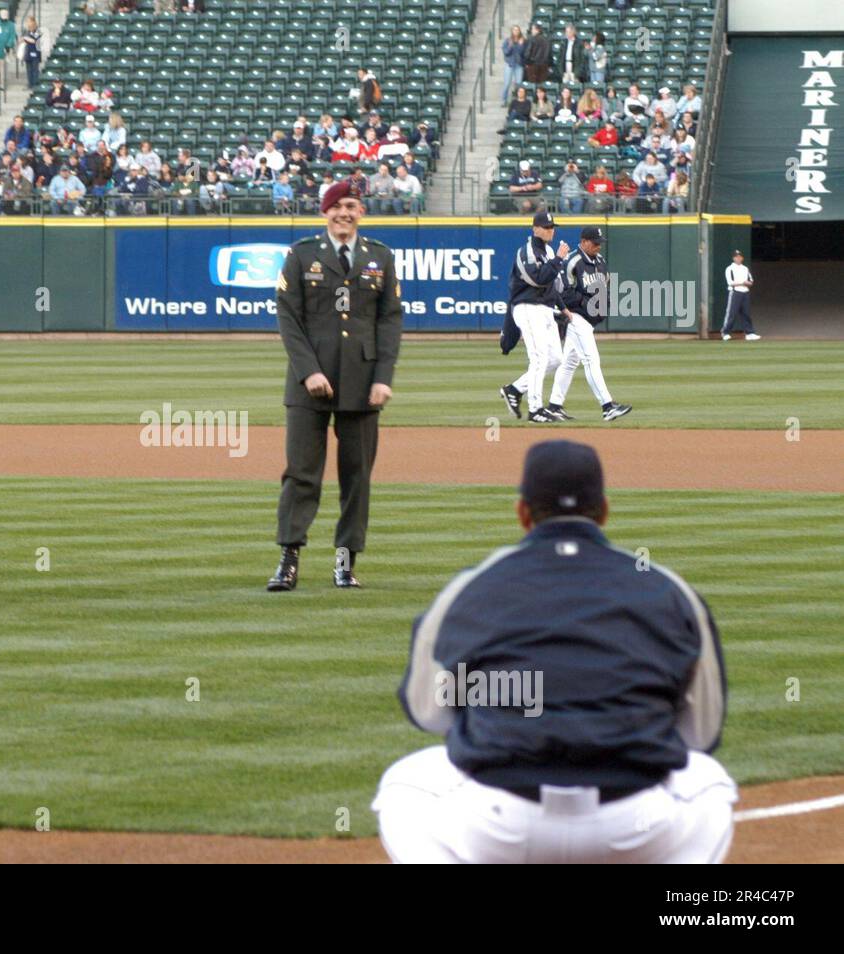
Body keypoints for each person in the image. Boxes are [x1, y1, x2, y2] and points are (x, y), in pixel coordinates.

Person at [372, 441, 736, 864]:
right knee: (710, 782)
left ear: (523, 512)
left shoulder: (471, 586)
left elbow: (428, 713)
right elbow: (701, 735)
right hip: (635, 824)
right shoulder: (668, 588)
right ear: (603, 510)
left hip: (500, 822)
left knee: (406, 783)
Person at [267, 179, 402, 592]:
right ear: (324, 212)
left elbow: (390, 319)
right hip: (308, 383)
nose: (345, 213)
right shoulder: (302, 254)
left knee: (356, 477)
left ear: (361, 212)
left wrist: (383, 378)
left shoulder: (380, 255)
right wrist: (309, 371)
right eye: (337, 206)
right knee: (302, 474)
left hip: (362, 383)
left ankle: (345, 563)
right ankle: (288, 560)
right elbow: (288, 318)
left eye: (352, 206)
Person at [547, 228, 633, 422]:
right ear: (584, 242)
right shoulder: (572, 261)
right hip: (575, 317)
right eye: (594, 242)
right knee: (591, 360)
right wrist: (586, 303)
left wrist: (604, 301)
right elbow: (563, 292)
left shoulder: (600, 261)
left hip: (590, 319)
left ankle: (554, 406)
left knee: (569, 362)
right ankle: (607, 406)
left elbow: (605, 286)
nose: (598, 245)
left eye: (599, 242)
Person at [498, 212, 568, 423]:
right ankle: (535, 410)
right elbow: (538, 279)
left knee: (556, 359)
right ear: (535, 228)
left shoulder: (548, 251)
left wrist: (562, 308)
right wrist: (558, 259)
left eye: (552, 227)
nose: (550, 230)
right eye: (546, 227)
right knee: (539, 358)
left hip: (546, 308)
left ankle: (515, 389)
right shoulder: (526, 251)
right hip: (528, 307)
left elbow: (553, 286)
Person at [721, 250, 759, 340]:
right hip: (735, 292)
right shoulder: (729, 268)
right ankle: (725, 332)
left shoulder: (745, 268)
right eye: (736, 257)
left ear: (742, 258)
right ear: (733, 258)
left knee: (746, 313)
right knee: (731, 313)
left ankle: (749, 333)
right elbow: (730, 283)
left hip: (745, 292)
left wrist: (747, 283)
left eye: (739, 256)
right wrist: (743, 283)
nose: (738, 258)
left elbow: (751, 281)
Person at [501, 25, 525, 106]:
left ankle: (517, 101)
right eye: (514, 30)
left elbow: (522, 53)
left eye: (517, 30)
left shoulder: (522, 41)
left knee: (518, 84)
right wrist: (510, 46)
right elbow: (506, 52)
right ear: (512, 31)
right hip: (510, 64)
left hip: (519, 65)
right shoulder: (507, 41)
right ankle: (504, 100)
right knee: (507, 83)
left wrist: (520, 45)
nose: (516, 31)